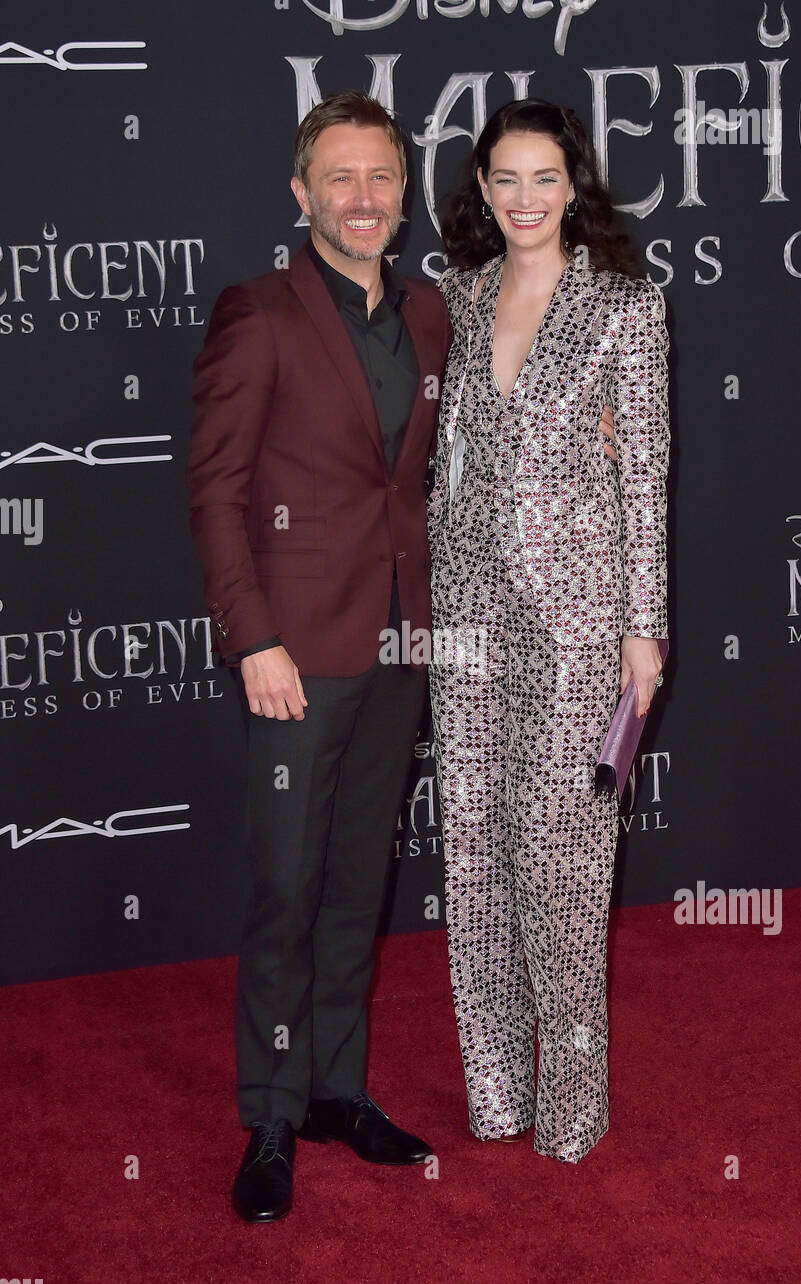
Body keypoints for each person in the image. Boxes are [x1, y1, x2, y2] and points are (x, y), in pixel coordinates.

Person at [186, 91, 453, 1222]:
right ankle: (274, 1113)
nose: (360, 198)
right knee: (287, 887)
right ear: (301, 194)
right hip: (297, 651)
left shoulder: (430, 312)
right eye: (337, 178)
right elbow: (215, 491)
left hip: (400, 638)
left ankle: (340, 1088)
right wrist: (254, 638)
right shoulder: (257, 312)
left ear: (403, 196)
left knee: (358, 882)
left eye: (379, 178)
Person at [427, 98, 670, 1163]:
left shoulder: (627, 307)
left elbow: (645, 480)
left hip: (577, 622)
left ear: (575, 186)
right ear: (481, 190)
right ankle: (495, 1091)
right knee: (473, 847)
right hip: (463, 610)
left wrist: (641, 628)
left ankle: (570, 1106)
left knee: (564, 860)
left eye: (544, 178)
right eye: (504, 180)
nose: (524, 200)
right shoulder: (452, 296)